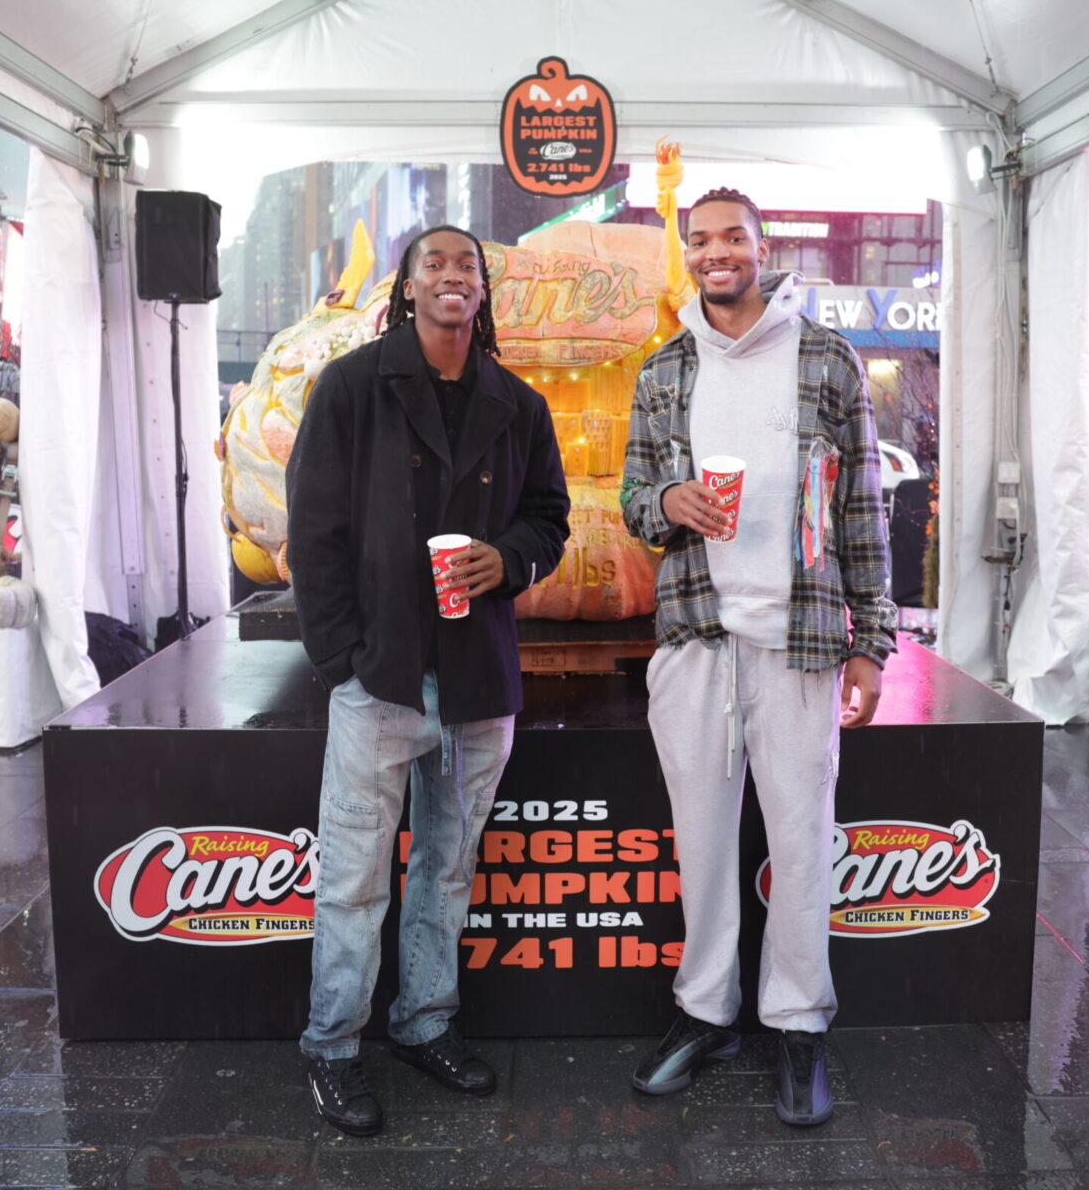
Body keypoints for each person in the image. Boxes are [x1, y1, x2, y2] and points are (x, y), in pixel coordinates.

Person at [285, 224, 570, 1138]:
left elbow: (550, 518)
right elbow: (313, 526)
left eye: (468, 266)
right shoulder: (353, 387)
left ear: (485, 293)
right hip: (382, 675)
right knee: (356, 878)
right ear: (407, 288)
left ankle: (425, 1024)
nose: (453, 276)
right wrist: (342, 658)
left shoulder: (518, 405)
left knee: (447, 869)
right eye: (434, 263)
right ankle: (333, 1048)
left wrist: (511, 559)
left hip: (478, 679)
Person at [619, 188, 895, 1127]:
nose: (716, 253)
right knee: (699, 841)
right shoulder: (663, 369)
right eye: (700, 240)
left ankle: (800, 1026)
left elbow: (864, 509)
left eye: (732, 236)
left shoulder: (825, 358)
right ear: (688, 254)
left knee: (801, 842)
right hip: (696, 638)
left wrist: (877, 644)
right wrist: (669, 504)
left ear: (761, 247)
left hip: (802, 640)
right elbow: (631, 496)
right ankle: (704, 1012)